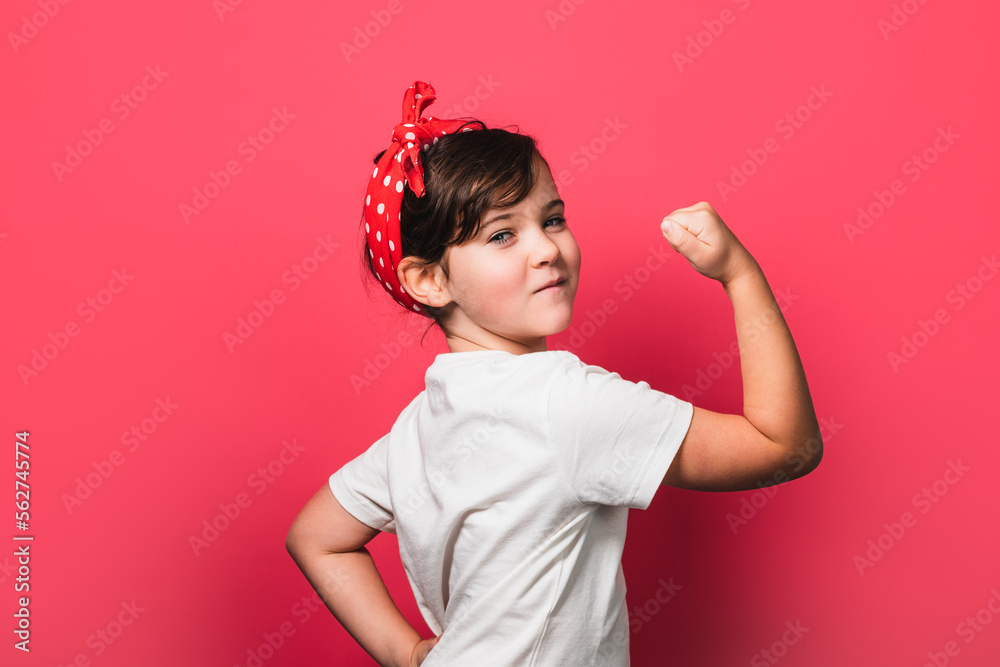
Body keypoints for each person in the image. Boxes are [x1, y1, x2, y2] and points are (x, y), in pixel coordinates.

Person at [285, 81, 822, 667]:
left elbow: (316, 538)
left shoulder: (420, 425)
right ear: (429, 281)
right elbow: (785, 447)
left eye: (553, 218)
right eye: (501, 234)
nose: (545, 249)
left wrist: (409, 653)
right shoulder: (564, 402)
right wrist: (740, 275)